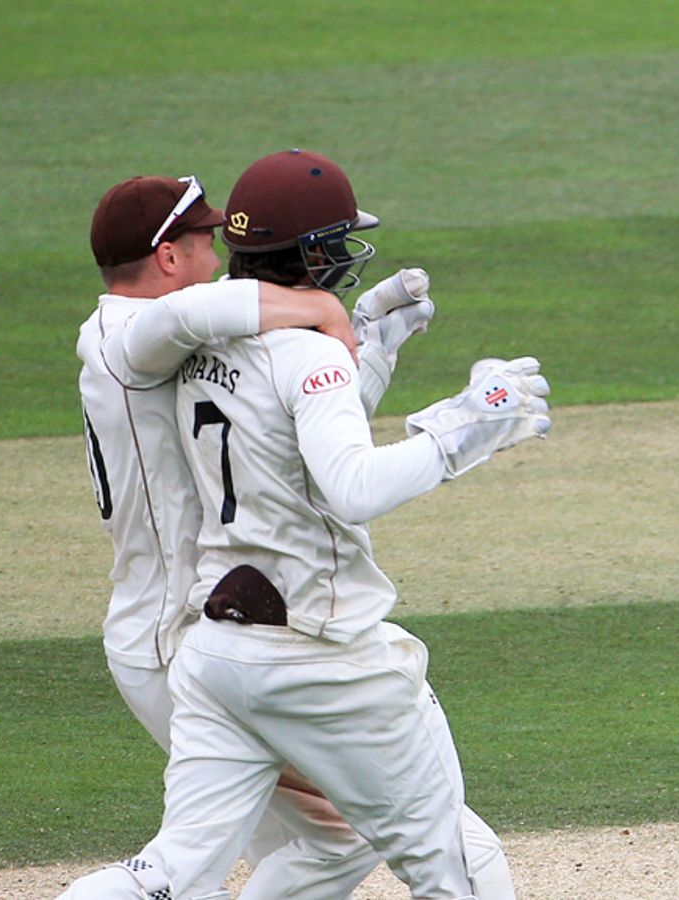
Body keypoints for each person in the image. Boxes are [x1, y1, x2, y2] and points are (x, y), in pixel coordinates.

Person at [62, 151, 541, 900]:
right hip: (229, 636)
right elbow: (342, 478)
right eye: (200, 245)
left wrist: (368, 352)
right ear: (164, 256)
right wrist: (460, 427)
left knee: (221, 863)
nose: (215, 257)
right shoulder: (139, 336)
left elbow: (282, 437)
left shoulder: (193, 353)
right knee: (456, 863)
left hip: (211, 640)